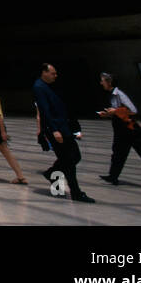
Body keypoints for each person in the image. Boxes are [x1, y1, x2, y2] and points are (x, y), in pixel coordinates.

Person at [34, 63, 95, 203]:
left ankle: (51, 174)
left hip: (63, 127)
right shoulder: (39, 87)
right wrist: (54, 130)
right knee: (68, 160)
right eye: (52, 73)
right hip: (55, 129)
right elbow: (44, 110)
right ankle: (76, 192)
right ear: (44, 72)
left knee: (73, 157)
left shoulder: (48, 86)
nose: (55, 76)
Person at [96, 72, 141, 186]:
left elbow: (133, 110)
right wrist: (108, 114)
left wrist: (115, 111)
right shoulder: (112, 95)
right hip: (121, 129)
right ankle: (113, 176)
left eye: (102, 81)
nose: (101, 83)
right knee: (118, 153)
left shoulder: (119, 94)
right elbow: (119, 112)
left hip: (129, 130)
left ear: (109, 82)